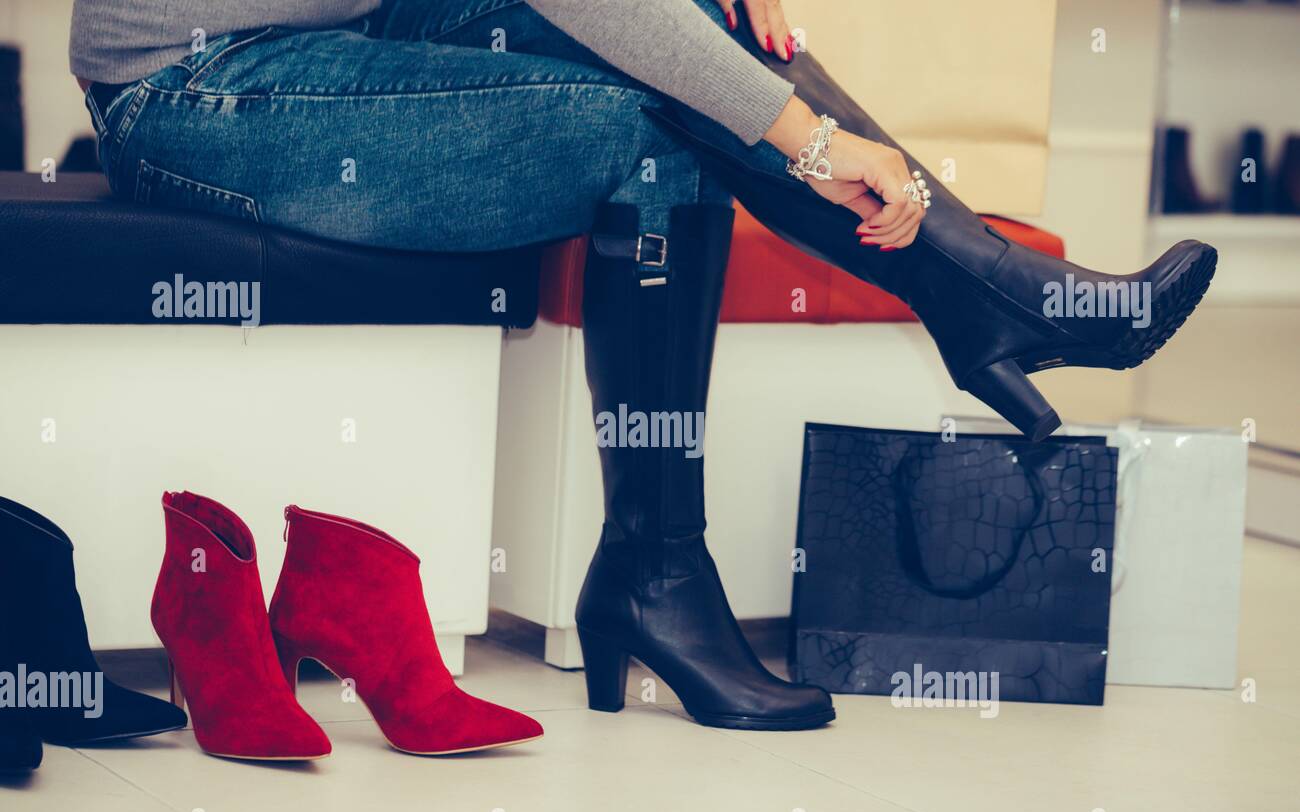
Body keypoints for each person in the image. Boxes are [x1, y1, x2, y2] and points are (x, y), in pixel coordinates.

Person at [71, 0, 1215, 732]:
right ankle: (983, 310)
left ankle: (983, 301)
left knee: (702, 34)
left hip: (339, 28)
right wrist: (813, 143)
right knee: (652, 132)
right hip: (192, 83)